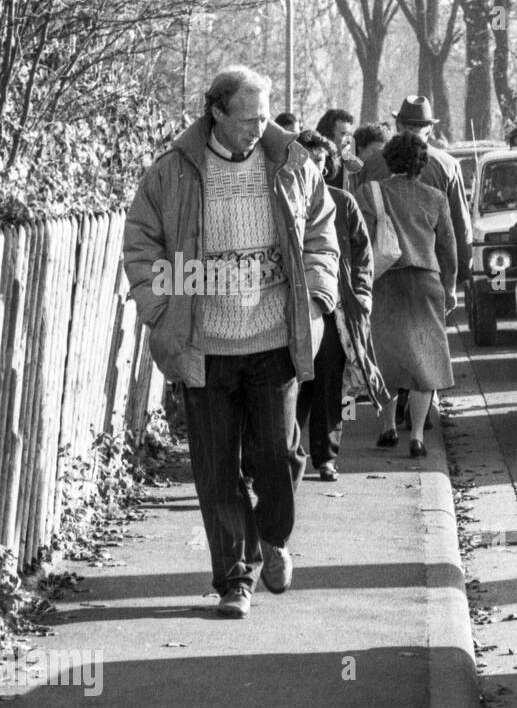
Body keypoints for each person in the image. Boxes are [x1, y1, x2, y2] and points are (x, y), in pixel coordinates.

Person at [123, 66, 339, 618]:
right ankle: (233, 580)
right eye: (248, 118)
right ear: (216, 112)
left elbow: (320, 233)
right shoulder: (172, 172)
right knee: (217, 468)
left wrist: (315, 301)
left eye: (265, 116)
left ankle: (273, 536)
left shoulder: (291, 164)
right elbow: (142, 246)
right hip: (206, 345)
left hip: (273, 338)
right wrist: (160, 309)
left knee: (279, 454)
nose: (258, 128)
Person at [355, 133, 458, 458]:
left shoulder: (368, 194)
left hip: (384, 282)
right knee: (423, 360)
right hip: (426, 283)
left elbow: (356, 241)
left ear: (389, 159)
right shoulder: (435, 197)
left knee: (384, 357)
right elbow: (448, 250)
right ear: (421, 163)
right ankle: (416, 436)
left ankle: (387, 427)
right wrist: (451, 286)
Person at [294, 130, 387, 482]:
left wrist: (362, 292)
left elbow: (363, 254)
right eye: (307, 162)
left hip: (335, 311)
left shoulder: (343, 202)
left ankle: (326, 457)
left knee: (329, 385)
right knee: (292, 385)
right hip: (293, 309)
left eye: (320, 163)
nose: (315, 170)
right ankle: (287, 454)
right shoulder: (282, 200)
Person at [355, 96, 471, 301]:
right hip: (430, 275)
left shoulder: (372, 164)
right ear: (429, 129)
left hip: (381, 277)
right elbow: (459, 230)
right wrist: (452, 283)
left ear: (398, 125)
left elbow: (358, 229)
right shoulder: (448, 165)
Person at [315, 107, 359, 188]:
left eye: (350, 134)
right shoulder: (316, 163)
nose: (349, 139)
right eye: (343, 134)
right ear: (328, 136)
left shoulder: (350, 163)